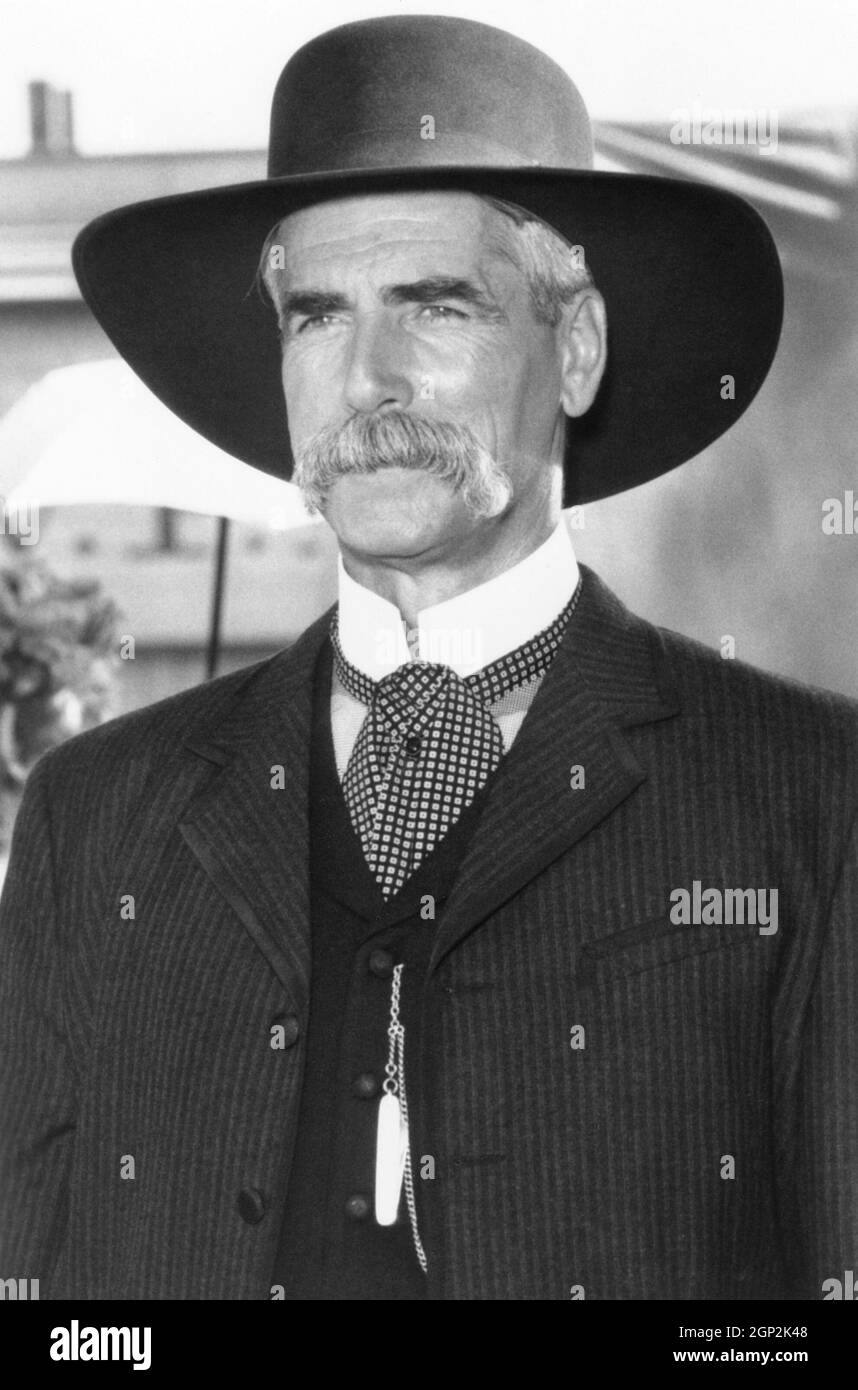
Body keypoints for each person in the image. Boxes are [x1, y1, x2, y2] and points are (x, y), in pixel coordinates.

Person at [1, 15, 855, 1302]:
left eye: (436, 306)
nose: (367, 381)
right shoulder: (95, 816)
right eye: (317, 317)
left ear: (574, 349)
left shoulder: (813, 796)